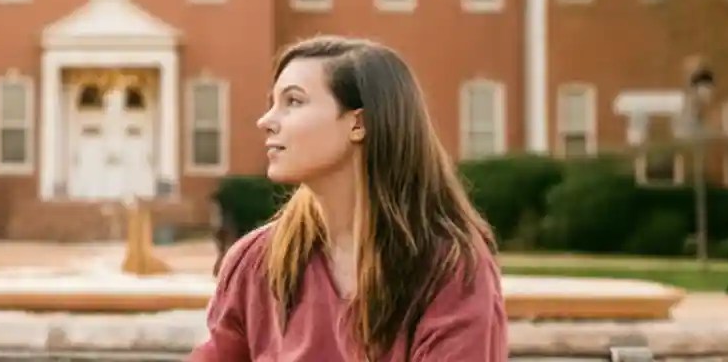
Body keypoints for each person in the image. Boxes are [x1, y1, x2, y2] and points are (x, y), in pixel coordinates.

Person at [189, 35, 507, 361]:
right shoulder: (254, 263)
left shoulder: (450, 268)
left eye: (293, 101)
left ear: (358, 123)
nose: (266, 120)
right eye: (273, 103)